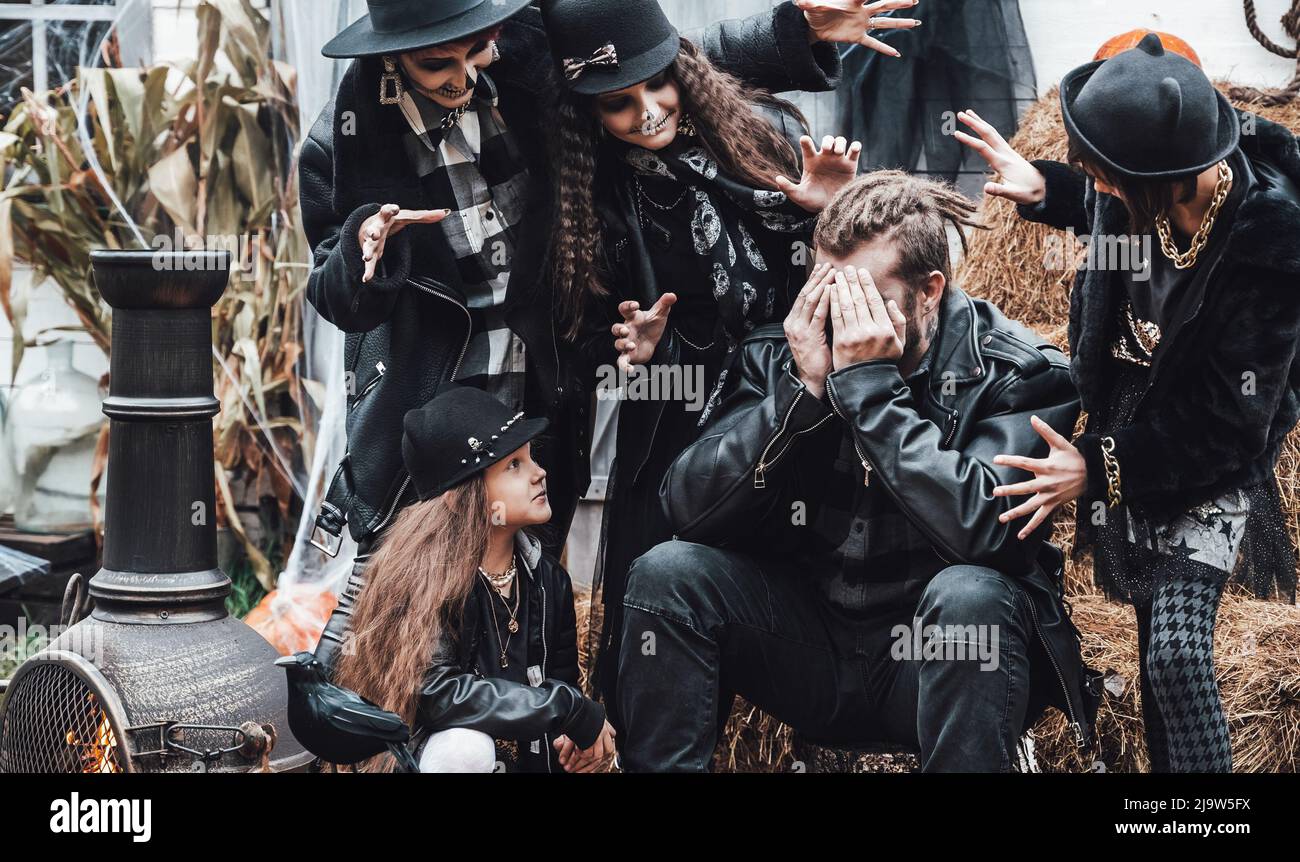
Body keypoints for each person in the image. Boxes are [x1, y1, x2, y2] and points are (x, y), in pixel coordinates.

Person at [301, 0, 885, 673]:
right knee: (397, 596)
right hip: (431, 396)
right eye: (439, 64)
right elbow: (335, 294)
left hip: (538, 383)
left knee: (528, 593)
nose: (465, 75)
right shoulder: (342, 140)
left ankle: (532, 733)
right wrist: (359, 249)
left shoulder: (526, 57)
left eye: (477, 49)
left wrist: (790, 31)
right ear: (390, 54)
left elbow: (648, 56)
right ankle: (357, 725)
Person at [616, 171, 1096, 772]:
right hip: (811, 643)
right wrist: (804, 392)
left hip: (935, 658)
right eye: (832, 293)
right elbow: (687, 508)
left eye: (869, 298)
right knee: (668, 574)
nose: (846, 319)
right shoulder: (783, 354)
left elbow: (989, 533)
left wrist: (869, 391)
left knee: (970, 594)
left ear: (930, 291)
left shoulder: (1017, 372)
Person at [541, 0, 915, 720]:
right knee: (660, 595)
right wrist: (641, 348)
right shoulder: (592, 198)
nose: (647, 112)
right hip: (678, 421)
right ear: (588, 112)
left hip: (796, 394)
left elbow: (855, 281)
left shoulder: (765, 132)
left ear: (683, 70)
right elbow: (582, 331)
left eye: (658, 86)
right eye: (618, 104)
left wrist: (824, 215)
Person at [956, 33, 1300, 772]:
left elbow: (1231, 424)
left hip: (1204, 448)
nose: (1098, 185)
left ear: (1160, 178)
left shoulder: (1270, 245)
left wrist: (1097, 466)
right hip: (1129, 416)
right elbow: (1103, 196)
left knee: (1179, 654)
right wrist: (1046, 187)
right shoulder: (1147, 185)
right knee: (1151, 651)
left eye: (1105, 175)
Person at [332, 385, 615, 773]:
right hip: (436, 761)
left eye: (530, 458)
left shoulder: (550, 582)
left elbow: (562, 693)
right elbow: (436, 694)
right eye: (513, 465)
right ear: (459, 495)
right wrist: (565, 709)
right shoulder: (422, 577)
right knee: (465, 747)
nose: (539, 473)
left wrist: (576, 743)